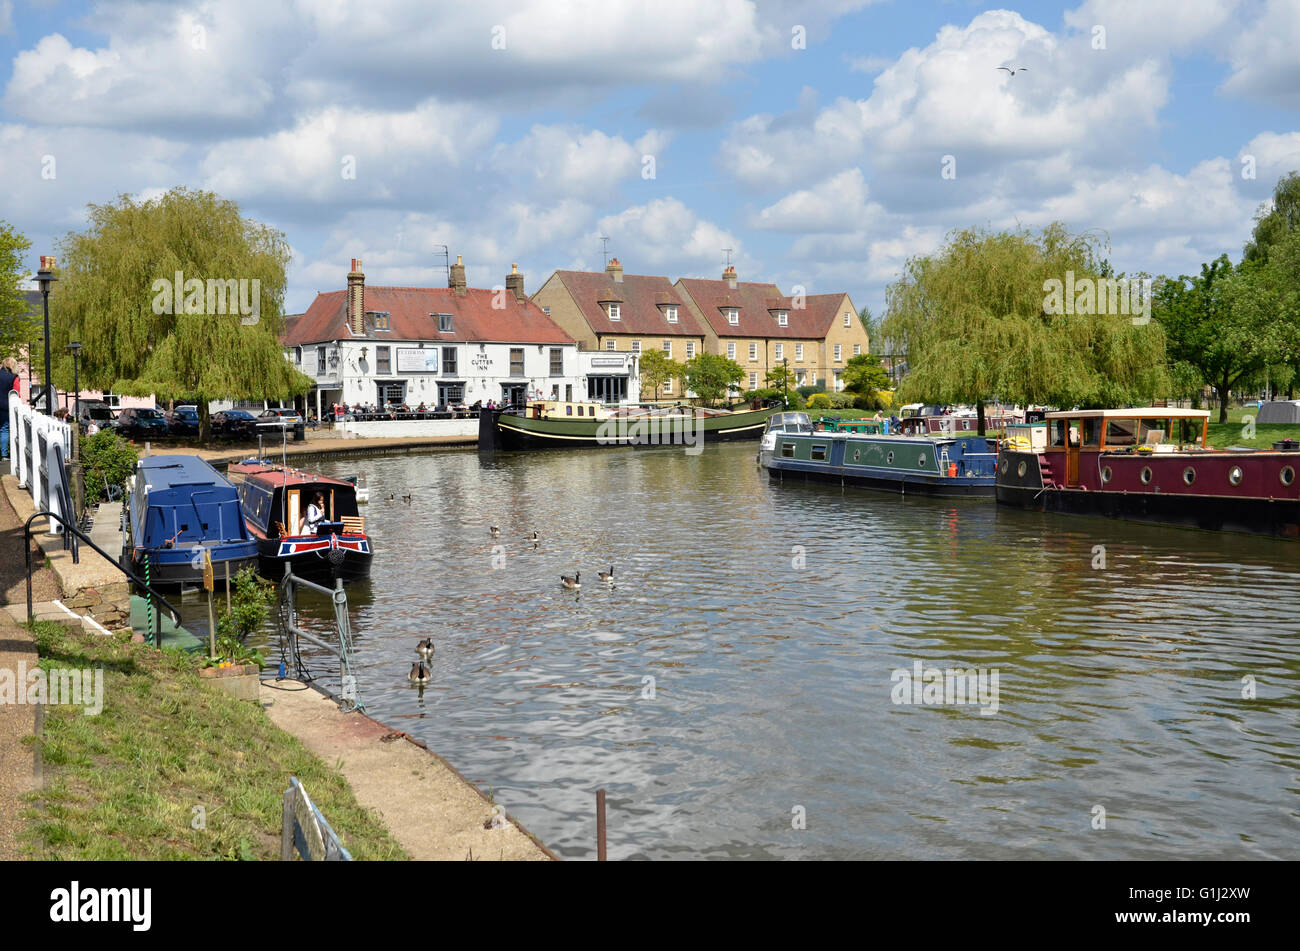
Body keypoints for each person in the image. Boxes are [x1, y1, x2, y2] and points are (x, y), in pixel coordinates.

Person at [0, 357, 19, 459]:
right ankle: (4, 455)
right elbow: (16, 394)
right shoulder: (14, 377)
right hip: (6, 407)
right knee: (4, 429)